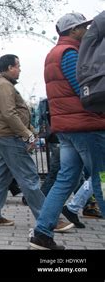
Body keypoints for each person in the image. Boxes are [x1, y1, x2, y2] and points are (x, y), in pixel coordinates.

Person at [30, 13, 105, 250]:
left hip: (67, 128)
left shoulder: (53, 54)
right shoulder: (71, 54)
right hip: (86, 125)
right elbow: (84, 88)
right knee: (102, 178)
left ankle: (42, 232)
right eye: (83, 27)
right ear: (73, 31)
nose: (87, 31)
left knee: (65, 179)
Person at [0, 54, 73, 232]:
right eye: (18, 66)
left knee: (1, 177)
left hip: (5, 136)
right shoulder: (4, 86)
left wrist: (30, 130)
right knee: (29, 177)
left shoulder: (4, 85)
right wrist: (27, 134)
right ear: (10, 67)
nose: (20, 69)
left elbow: (16, 113)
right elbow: (9, 114)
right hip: (9, 137)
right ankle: (47, 220)